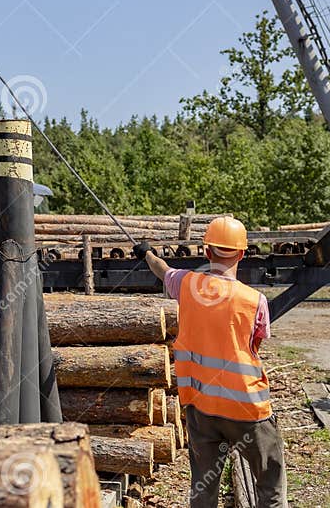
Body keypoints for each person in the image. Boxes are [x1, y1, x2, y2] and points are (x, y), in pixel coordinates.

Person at [133, 216, 287, 508]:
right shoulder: (255, 301)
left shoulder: (186, 284)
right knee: (270, 485)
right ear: (242, 254)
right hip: (247, 410)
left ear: (206, 252)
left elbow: (162, 270)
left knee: (203, 488)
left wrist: (147, 253)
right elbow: (255, 345)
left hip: (202, 407)